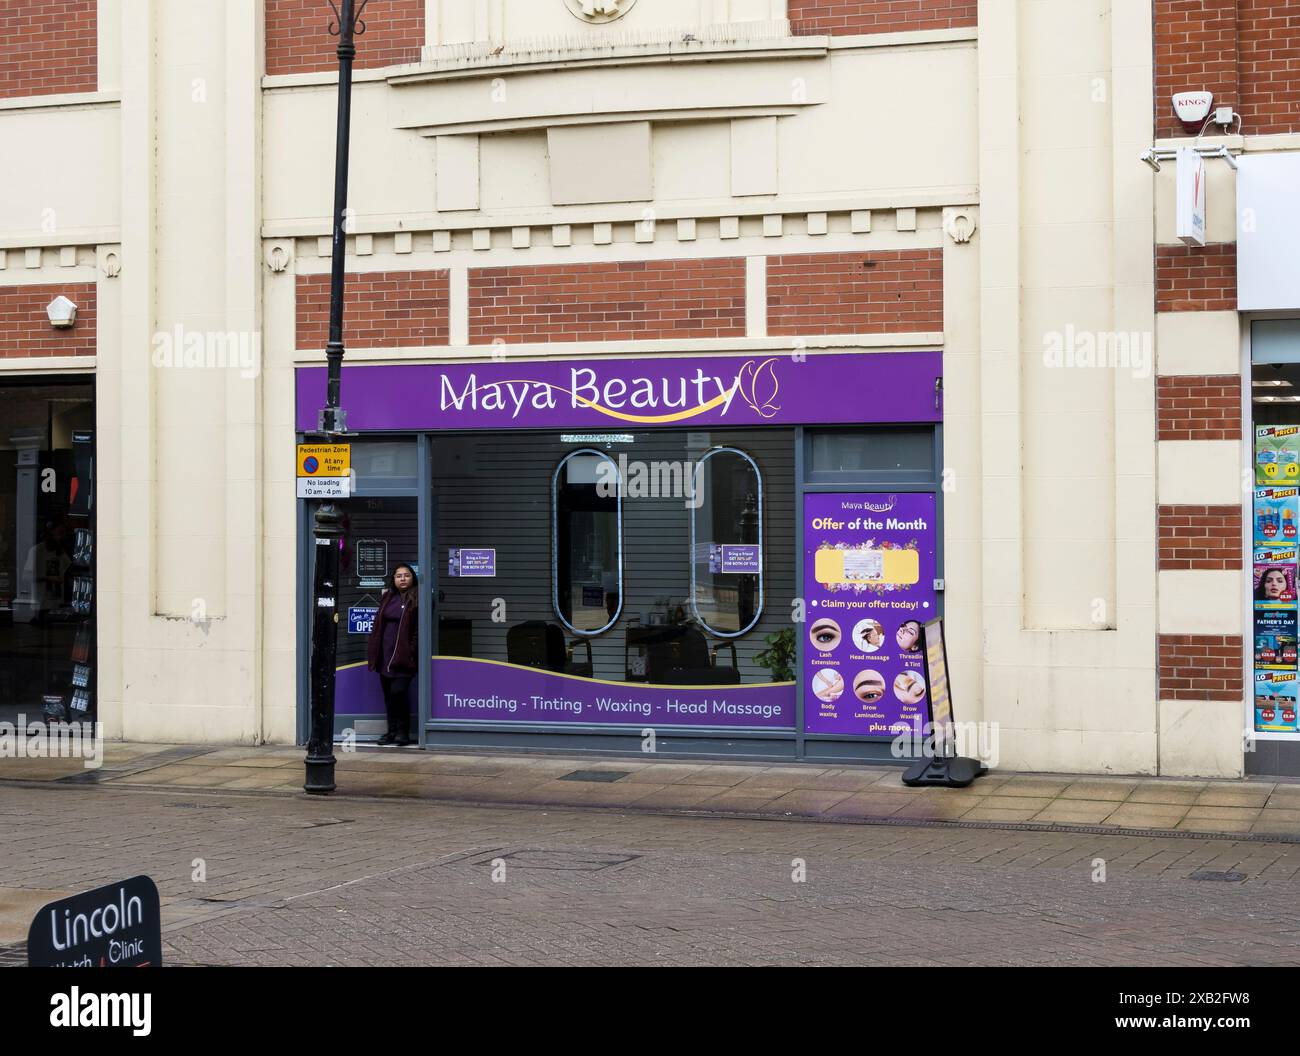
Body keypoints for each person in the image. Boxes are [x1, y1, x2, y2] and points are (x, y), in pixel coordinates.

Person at [366, 563, 419, 746]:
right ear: (393, 579)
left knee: (398, 691)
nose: (403, 579)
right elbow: (378, 624)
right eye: (399, 576)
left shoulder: (417, 597)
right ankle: (391, 732)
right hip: (385, 654)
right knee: (389, 695)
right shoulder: (388, 597)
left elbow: (419, 629)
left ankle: (403, 732)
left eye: (407, 575)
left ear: (413, 578)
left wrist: (412, 650)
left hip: (405, 656)